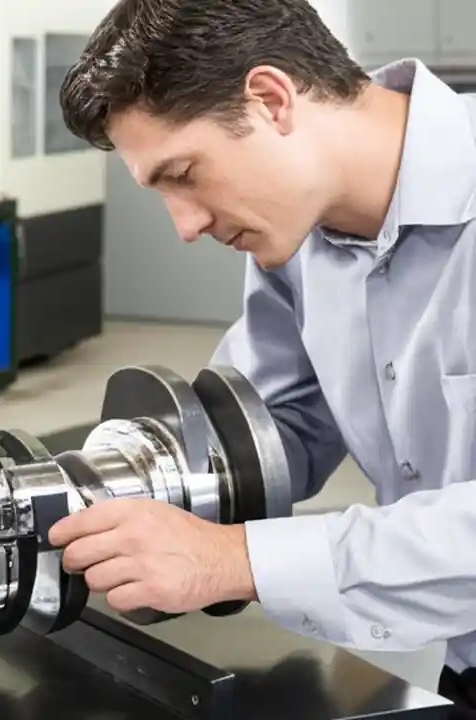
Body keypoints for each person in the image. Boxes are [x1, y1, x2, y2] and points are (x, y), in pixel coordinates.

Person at [46, 0, 476, 711]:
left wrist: (235, 560)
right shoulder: (298, 236)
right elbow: (264, 437)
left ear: (272, 99)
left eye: (184, 173)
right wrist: (88, 491)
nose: (185, 226)